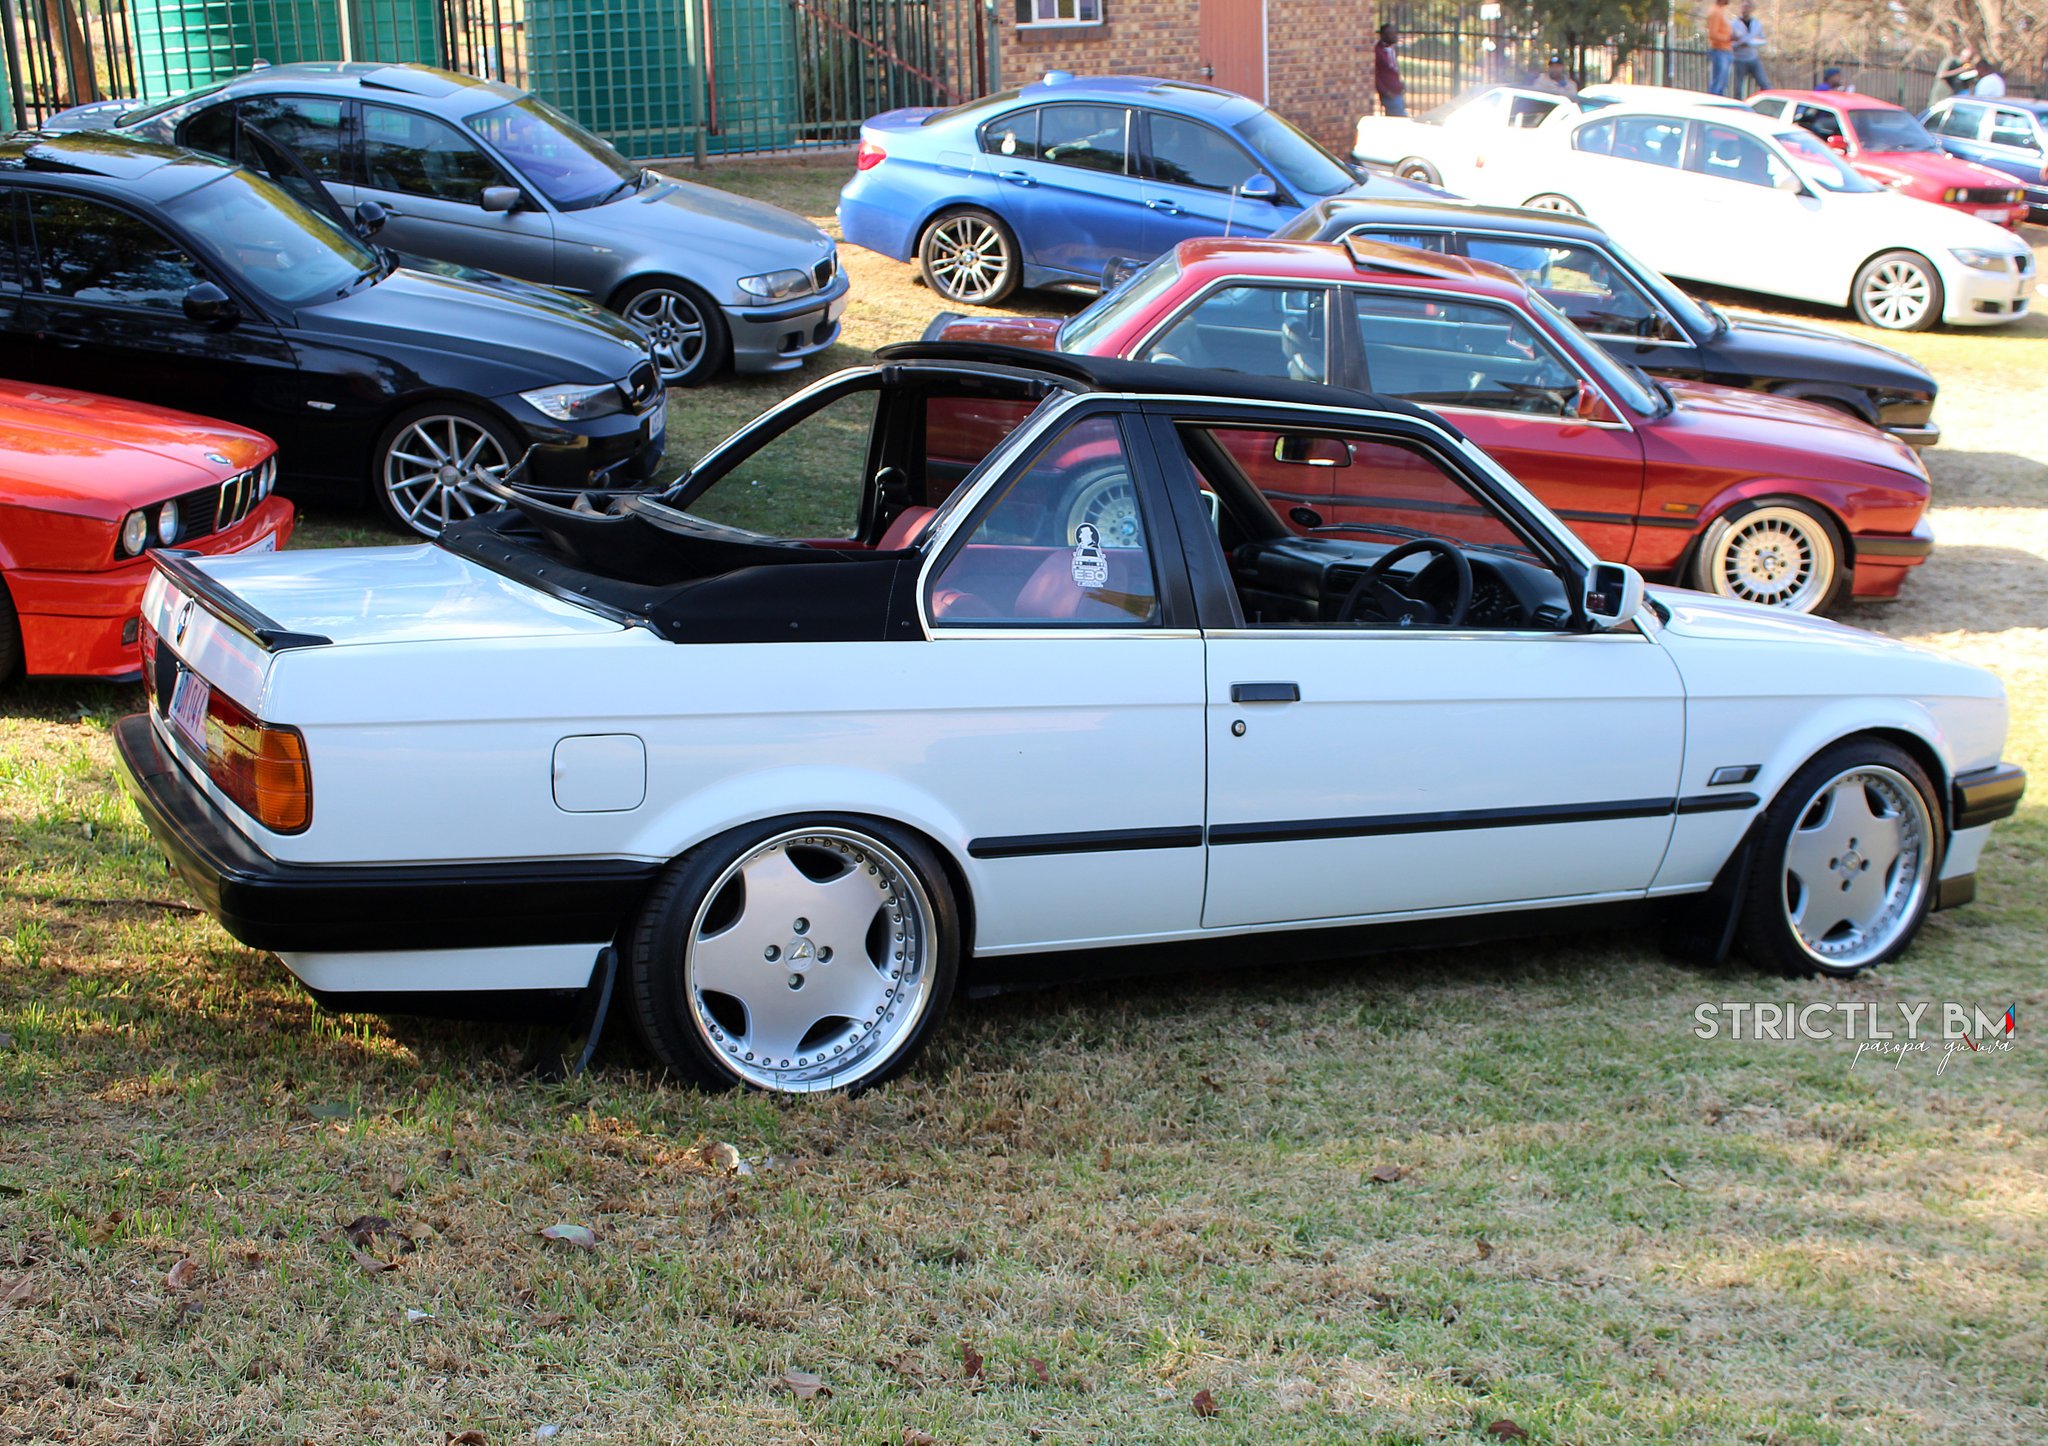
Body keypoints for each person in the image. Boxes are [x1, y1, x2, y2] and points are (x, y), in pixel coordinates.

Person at [1729, 1, 1768, 97]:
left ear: (1751, 9)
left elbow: (1762, 39)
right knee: (1738, 87)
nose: (1745, 9)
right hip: (1739, 59)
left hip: (1753, 58)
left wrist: (1754, 43)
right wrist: (1739, 43)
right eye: (1743, 7)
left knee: (1764, 83)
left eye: (1747, 7)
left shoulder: (1756, 23)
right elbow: (1728, 42)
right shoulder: (1733, 24)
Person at [1374, 24, 1406, 117]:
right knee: (1399, 119)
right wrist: (1386, 92)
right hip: (1389, 94)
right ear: (1383, 36)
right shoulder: (1378, 51)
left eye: (1395, 33)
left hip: (1397, 91)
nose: (1395, 36)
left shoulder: (1391, 49)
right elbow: (1375, 76)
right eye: (1391, 34)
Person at [1706, 0, 1734, 95]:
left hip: (1726, 50)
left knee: (1722, 83)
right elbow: (1713, 34)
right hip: (1720, 51)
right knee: (1718, 83)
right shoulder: (1715, 12)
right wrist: (1729, 37)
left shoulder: (1722, 10)